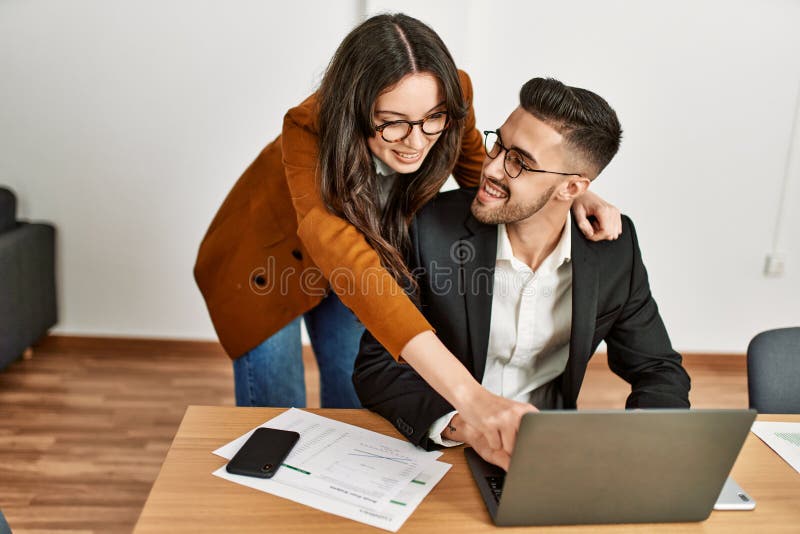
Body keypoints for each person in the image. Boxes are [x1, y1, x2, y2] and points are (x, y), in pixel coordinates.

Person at [194, 14, 621, 453]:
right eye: (392, 122)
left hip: (362, 258)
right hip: (266, 268)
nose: (416, 142)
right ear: (355, 110)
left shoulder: (453, 95)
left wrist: (565, 193)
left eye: (432, 119)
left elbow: (484, 178)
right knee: (278, 427)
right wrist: (473, 400)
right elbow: (341, 252)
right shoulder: (309, 128)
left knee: (356, 409)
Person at [353, 77, 691, 469]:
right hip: (446, 450)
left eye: (520, 162)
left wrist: (644, 441)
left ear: (573, 188)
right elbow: (376, 368)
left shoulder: (614, 247)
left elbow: (658, 368)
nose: (492, 167)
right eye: (498, 144)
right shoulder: (428, 228)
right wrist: (468, 425)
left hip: (551, 457)